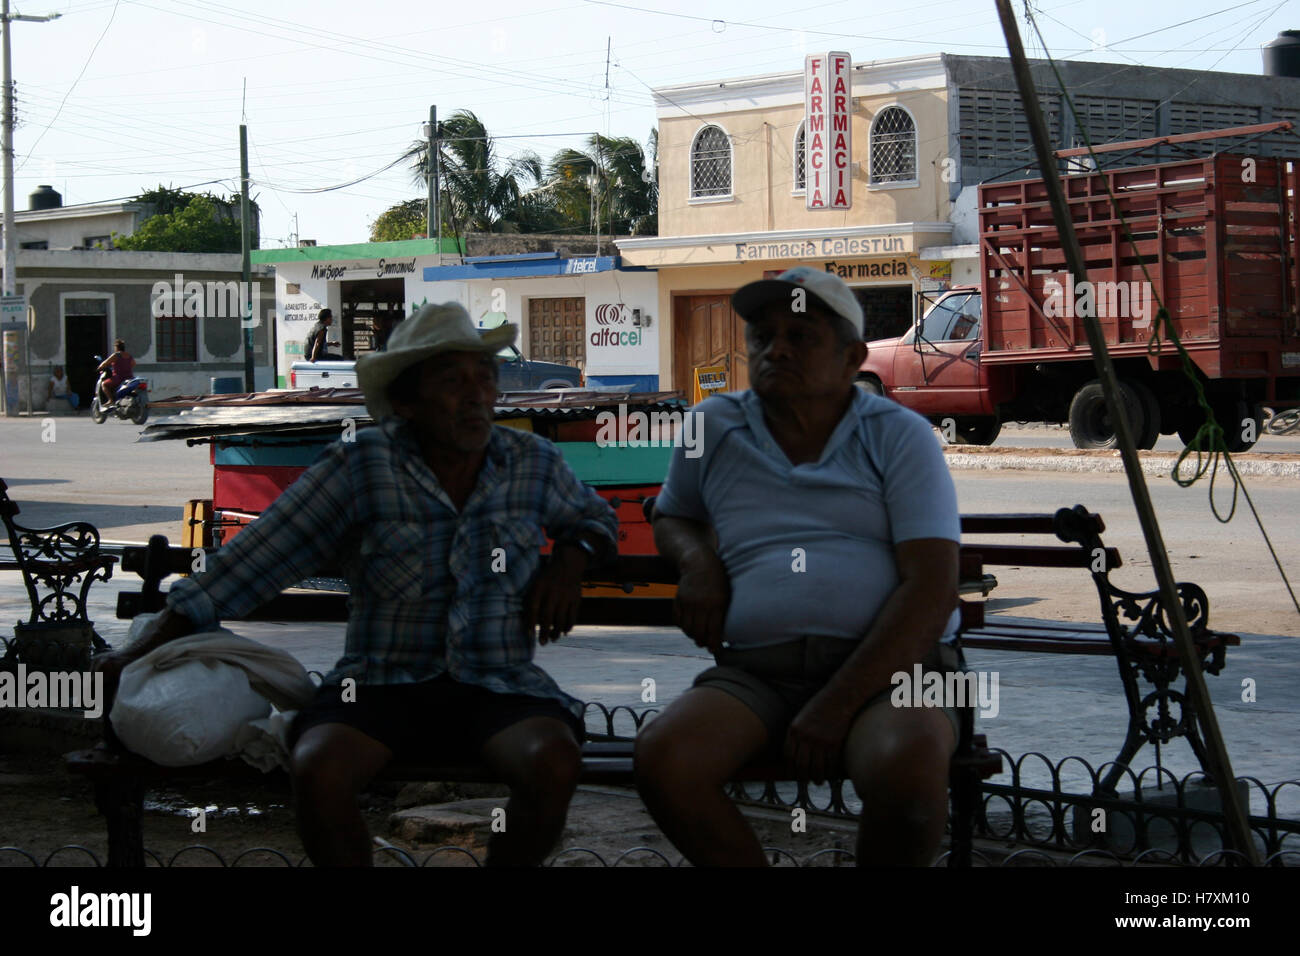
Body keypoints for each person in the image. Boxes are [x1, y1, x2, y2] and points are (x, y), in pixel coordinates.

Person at [95, 302, 619, 867]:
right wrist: (144, 644)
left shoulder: (529, 461)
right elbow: (256, 557)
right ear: (405, 401)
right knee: (319, 768)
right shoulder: (361, 465)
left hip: (499, 685)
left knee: (553, 761)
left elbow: (595, 521)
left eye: (485, 378)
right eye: (452, 381)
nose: (476, 395)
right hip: (379, 687)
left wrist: (571, 559)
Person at [634, 266, 965, 867]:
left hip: (894, 674)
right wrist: (698, 561)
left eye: (801, 336)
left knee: (907, 768)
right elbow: (672, 515)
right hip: (760, 672)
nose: (775, 349)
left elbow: (933, 585)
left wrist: (836, 705)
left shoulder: (902, 436)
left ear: (851, 358)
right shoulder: (710, 426)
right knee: (665, 759)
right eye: (762, 336)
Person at [96, 340, 134, 407]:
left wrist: (99, 367)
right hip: (129, 378)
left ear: (117, 347)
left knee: (104, 384)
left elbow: (105, 363)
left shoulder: (116, 355)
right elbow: (133, 364)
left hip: (118, 378)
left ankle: (111, 400)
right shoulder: (129, 355)